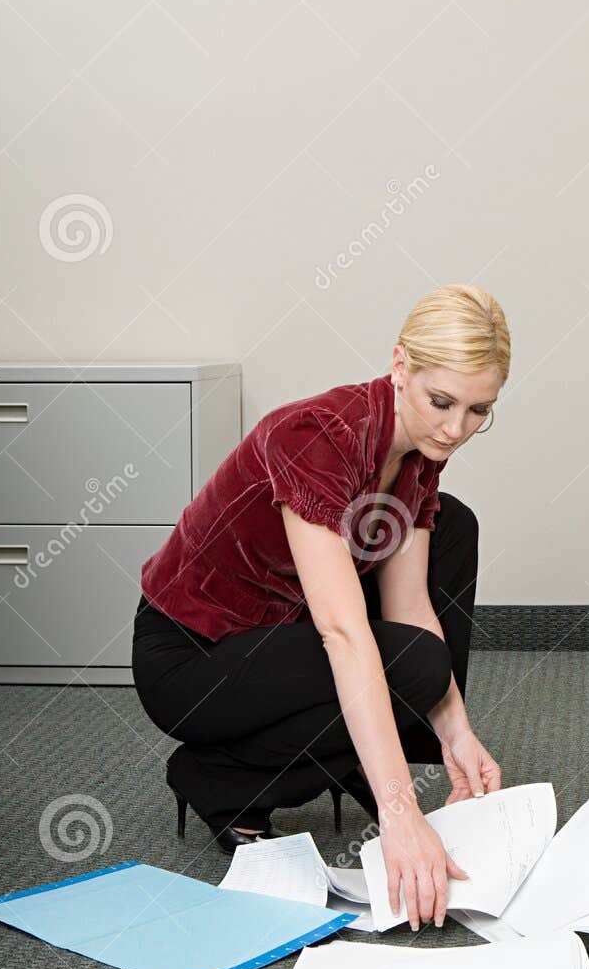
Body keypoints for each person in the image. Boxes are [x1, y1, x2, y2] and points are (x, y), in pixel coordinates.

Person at [131, 284, 508, 931]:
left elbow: (410, 604)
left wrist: (456, 734)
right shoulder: (315, 437)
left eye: (479, 410)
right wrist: (398, 812)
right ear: (399, 366)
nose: (456, 428)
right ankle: (218, 775)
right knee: (408, 661)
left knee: (452, 539)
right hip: (193, 655)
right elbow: (343, 631)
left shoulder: (418, 453)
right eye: (441, 402)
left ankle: (362, 756)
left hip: (280, 634)